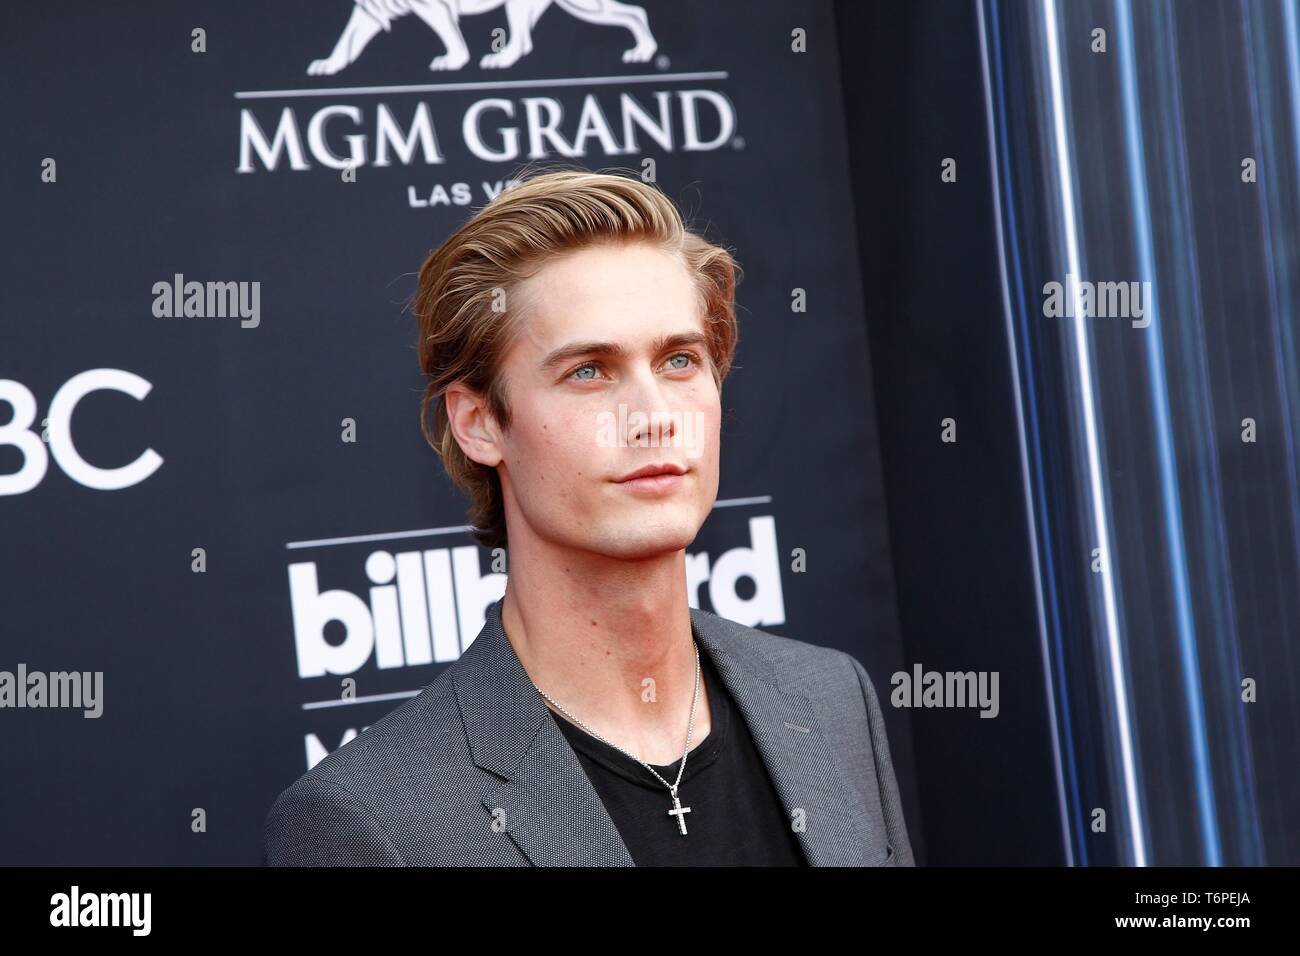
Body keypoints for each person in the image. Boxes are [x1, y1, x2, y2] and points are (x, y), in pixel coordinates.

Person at [264, 166, 914, 866]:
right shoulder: (371, 820)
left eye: (679, 360)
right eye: (589, 371)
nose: (654, 419)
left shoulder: (830, 700)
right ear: (480, 423)